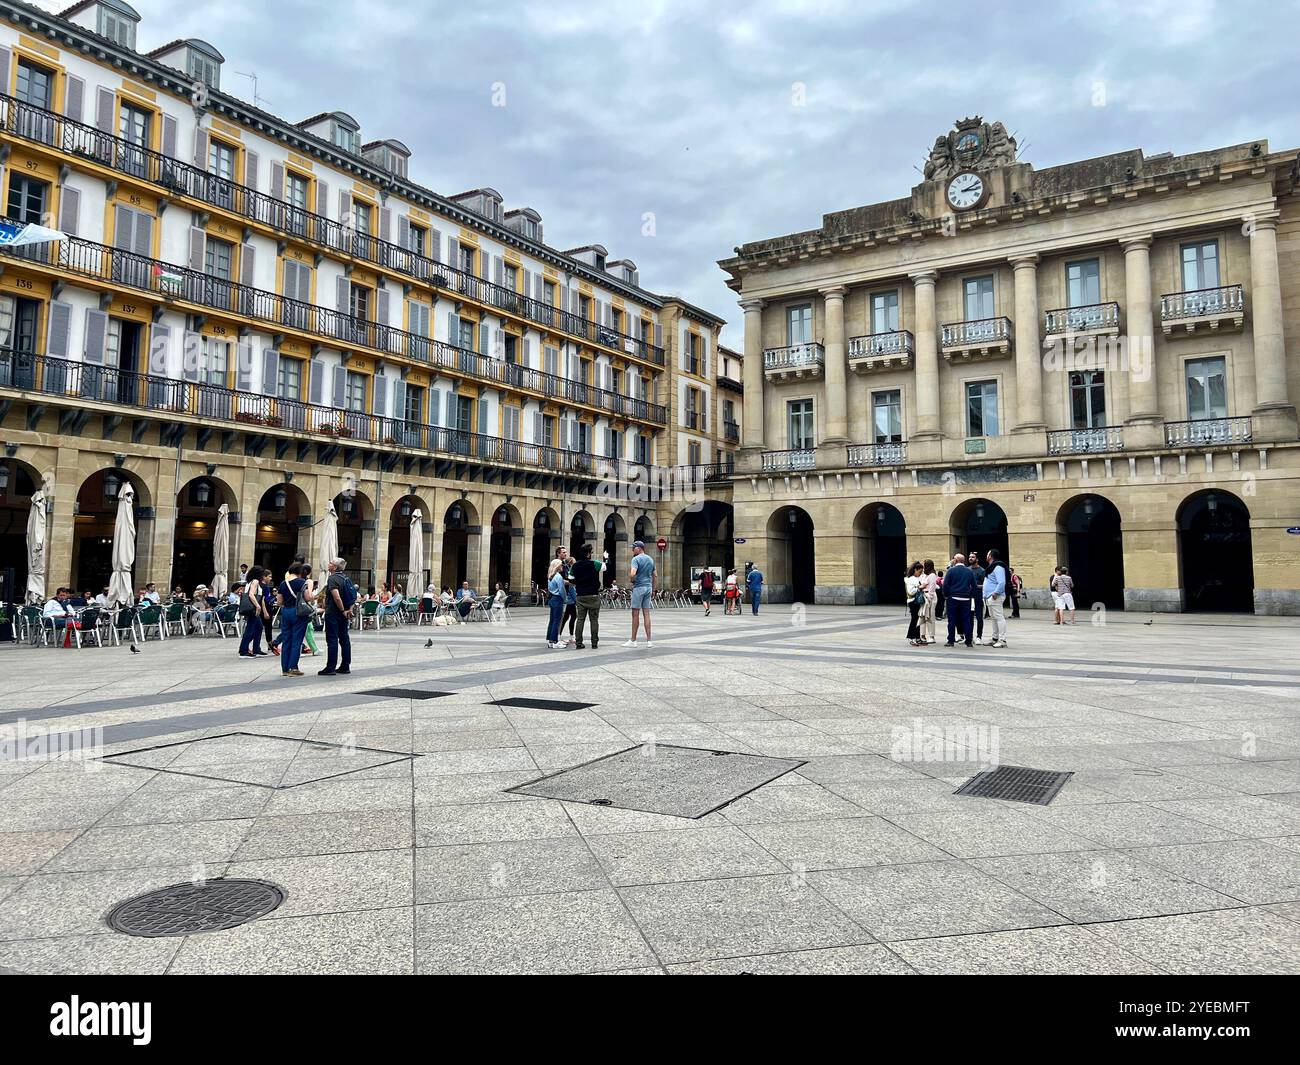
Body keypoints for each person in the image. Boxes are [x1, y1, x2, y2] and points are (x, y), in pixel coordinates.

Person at [319, 557, 354, 676]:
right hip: (344, 614)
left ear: (334, 567)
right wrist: (349, 610)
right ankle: (345, 665)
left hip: (333, 613)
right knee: (344, 639)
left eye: (330, 563)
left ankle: (330, 667)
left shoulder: (332, 579)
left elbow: (336, 597)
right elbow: (352, 596)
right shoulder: (346, 578)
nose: (328, 564)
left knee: (332, 639)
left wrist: (343, 610)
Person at [277, 563, 310, 677]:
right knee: (297, 640)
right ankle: (293, 667)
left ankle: (285, 668)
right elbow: (307, 597)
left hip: (286, 612)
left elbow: (279, 602)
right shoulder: (302, 582)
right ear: (300, 572)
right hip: (298, 612)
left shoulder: (282, 583)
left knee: (286, 640)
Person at [624, 540, 656, 647]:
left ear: (639, 548)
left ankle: (633, 640)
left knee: (635, 614)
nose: (632, 550)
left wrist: (632, 580)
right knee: (646, 613)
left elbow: (633, 573)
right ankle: (649, 641)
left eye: (634, 548)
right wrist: (654, 589)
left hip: (639, 587)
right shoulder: (650, 559)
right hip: (648, 587)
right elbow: (654, 575)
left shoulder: (636, 559)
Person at [572, 544, 602, 649]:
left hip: (580, 595)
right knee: (594, 620)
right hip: (593, 595)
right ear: (589, 553)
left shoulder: (575, 566)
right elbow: (605, 567)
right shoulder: (595, 564)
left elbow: (571, 578)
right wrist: (606, 558)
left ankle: (578, 642)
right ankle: (594, 643)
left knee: (580, 619)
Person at [943, 554, 976, 648]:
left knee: (952, 620)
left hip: (953, 598)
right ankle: (968, 641)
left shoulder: (951, 571)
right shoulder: (969, 571)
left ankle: (951, 640)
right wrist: (970, 595)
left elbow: (945, 585)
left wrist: (946, 595)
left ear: (956, 560)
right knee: (966, 620)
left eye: (953, 559)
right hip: (966, 599)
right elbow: (974, 585)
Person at [237, 567, 270, 657]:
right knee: (250, 629)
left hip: (252, 608)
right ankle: (243, 650)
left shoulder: (250, 581)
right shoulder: (255, 581)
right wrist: (257, 606)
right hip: (253, 608)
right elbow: (251, 594)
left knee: (258, 627)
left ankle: (256, 648)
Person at [984, 549, 1009, 648]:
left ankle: (1002, 639)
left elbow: (1001, 582)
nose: (986, 555)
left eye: (987, 553)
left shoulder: (998, 567)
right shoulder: (991, 567)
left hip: (995, 596)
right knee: (993, 618)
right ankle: (995, 638)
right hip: (990, 596)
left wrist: (996, 592)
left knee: (999, 617)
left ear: (991, 556)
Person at [545, 558, 566, 648]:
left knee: (552, 620)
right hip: (558, 599)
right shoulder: (558, 576)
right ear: (557, 566)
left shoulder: (550, 576)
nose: (562, 566)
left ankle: (550, 640)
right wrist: (565, 598)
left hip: (552, 598)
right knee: (557, 621)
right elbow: (562, 590)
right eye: (561, 565)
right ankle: (554, 641)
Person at [968, 553, 987, 644]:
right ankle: (969, 636)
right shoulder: (967, 570)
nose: (971, 558)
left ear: (977, 559)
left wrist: (975, 586)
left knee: (979, 617)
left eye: (973, 557)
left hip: (978, 597)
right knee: (968, 618)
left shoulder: (982, 571)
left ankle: (979, 637)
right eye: (970, 557)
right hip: (968, 597)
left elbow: (985, 585)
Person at [904, 562, 924, 646]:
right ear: (915, 570)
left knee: (917, 619)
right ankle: (911, 637)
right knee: (914, 620)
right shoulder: (911, 579)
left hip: (916, 601)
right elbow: (910, 592)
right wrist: (919, 587)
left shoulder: (916, 578)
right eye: (919, 571)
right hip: (913, 601)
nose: (920, 573)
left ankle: (917, 637)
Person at [919, 560, 938, 645]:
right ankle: (922, 635)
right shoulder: (924, 575)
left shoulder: (932, 575)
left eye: (924, 565)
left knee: (930, 616)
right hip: (923, 596)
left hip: (930, 596)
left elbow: (932, 587)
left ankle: (931, 636)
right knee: (922, 616)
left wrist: (929, 597)